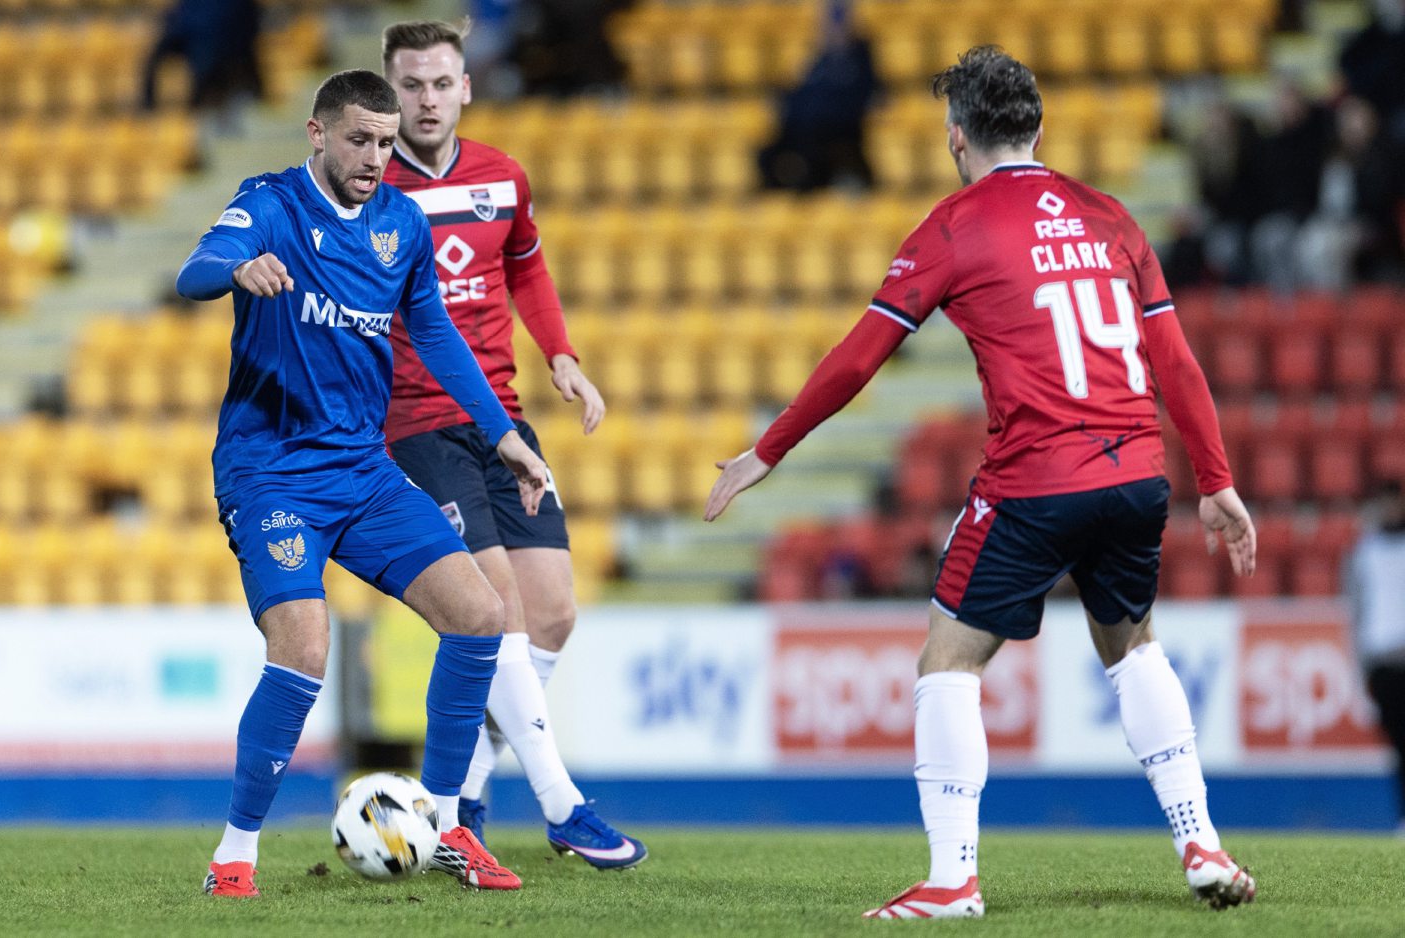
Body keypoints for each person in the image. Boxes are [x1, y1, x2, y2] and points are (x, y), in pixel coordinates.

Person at [706, 46, 1259, 919]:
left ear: (956, 137)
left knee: (948, 660)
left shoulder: (955, 225)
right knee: (1133, 647)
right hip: (1138, 478)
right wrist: (1217, 480)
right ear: (1039, 129)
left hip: (1037, 478)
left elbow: (860, 358)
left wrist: (766, 452)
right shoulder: (1111, 217)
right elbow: (1176, 362)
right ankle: (1200, 843)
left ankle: (952, 877)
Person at [176, 68, 549, 897]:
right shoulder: (270, 203)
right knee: (305, 646)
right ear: (317, 133)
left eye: (386, 142)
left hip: (362, 469)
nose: (377, 156)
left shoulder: (402, 226)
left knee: (479, 614)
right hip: (269, 470)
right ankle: (234, 854)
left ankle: (446, 824)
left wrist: (505, 437)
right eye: (359, 139)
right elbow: (194, 269)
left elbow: (438, 335)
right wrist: (236, 272)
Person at [378, 20, 647, 870]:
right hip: (415, 427)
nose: (425, 99)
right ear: (390, 94)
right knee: (494, 611)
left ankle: (462, 795)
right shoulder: (363, 190)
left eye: (439, 82)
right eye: (409, 85)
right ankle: (563, 805)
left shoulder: (503, 178)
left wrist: (562, 355)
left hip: (504, 420)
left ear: (465, 86)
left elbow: (525, 265)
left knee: (553, 613)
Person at [757, 0, 880, 192]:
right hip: (801, 131)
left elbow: (861, 96)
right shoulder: (819, 59)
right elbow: (798, 94)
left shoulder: (859, 59)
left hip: (838, 134)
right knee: (766, 154)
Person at [1345, 480, 1405, 833]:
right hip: (1383, 659)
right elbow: (1355, 610)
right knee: (1399, 744)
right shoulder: (1364, 551)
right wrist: (1360, 665)